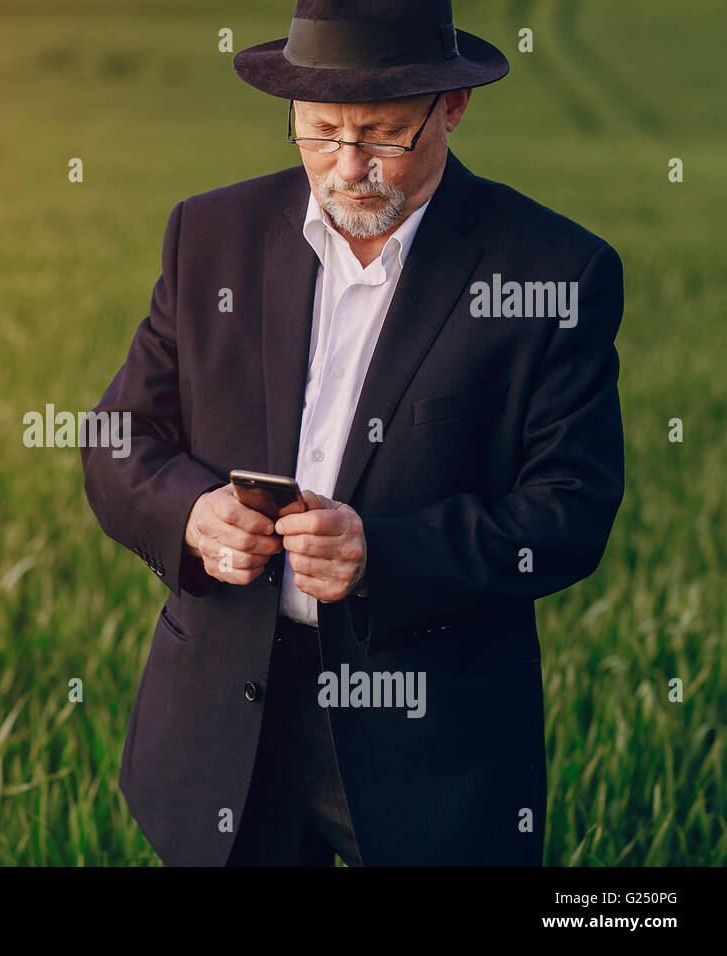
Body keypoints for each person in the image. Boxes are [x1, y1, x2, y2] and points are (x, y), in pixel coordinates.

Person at [80, 0, 624, 866]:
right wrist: (190, 513)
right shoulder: (208, 236)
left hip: (432, 741)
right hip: (220, 718)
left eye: (380, 135)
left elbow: (570, 511)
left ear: (452, 106)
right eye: (320, 132)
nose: (347, 167)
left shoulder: (555, 271)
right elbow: (119, 436)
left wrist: (383, 556)